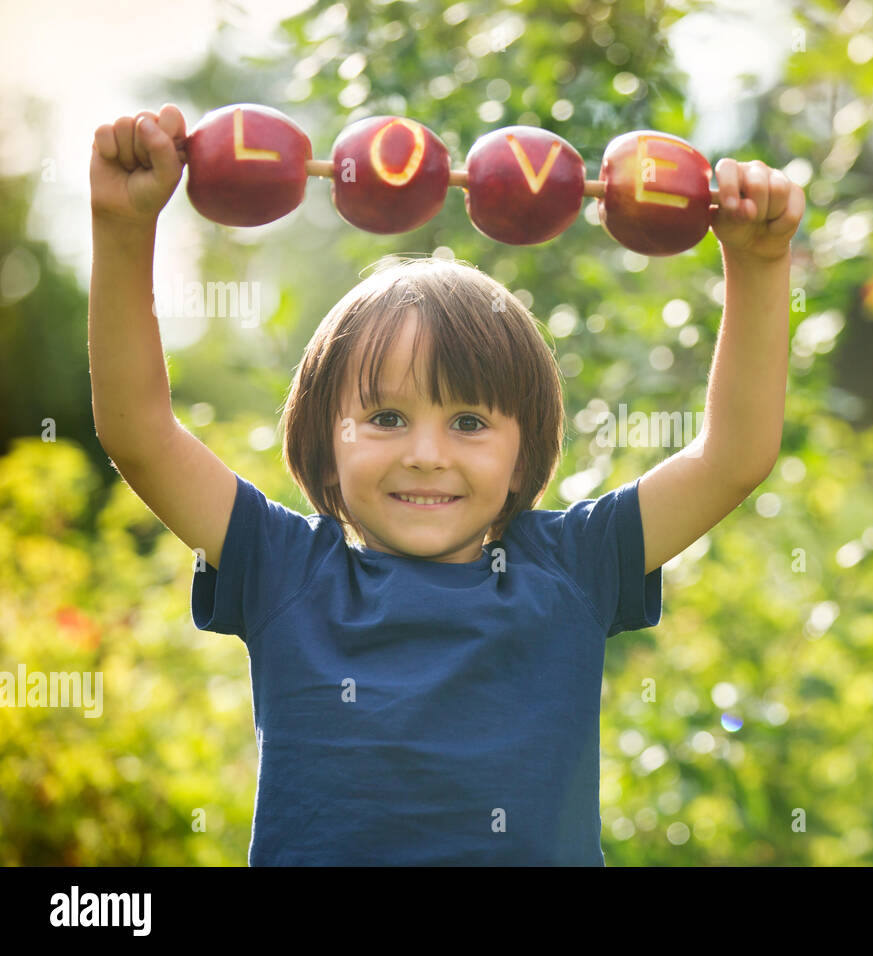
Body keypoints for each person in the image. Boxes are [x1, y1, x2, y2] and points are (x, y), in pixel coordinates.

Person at [88, 103, 804, 865]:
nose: (427, 455)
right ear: (324, 446)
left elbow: (733, 457)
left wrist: (757, 267)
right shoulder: (284, 568)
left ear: (525, 455)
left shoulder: (572, 567)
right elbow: (139, 433)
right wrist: (125, 230)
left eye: (469, 423)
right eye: (388, 418)